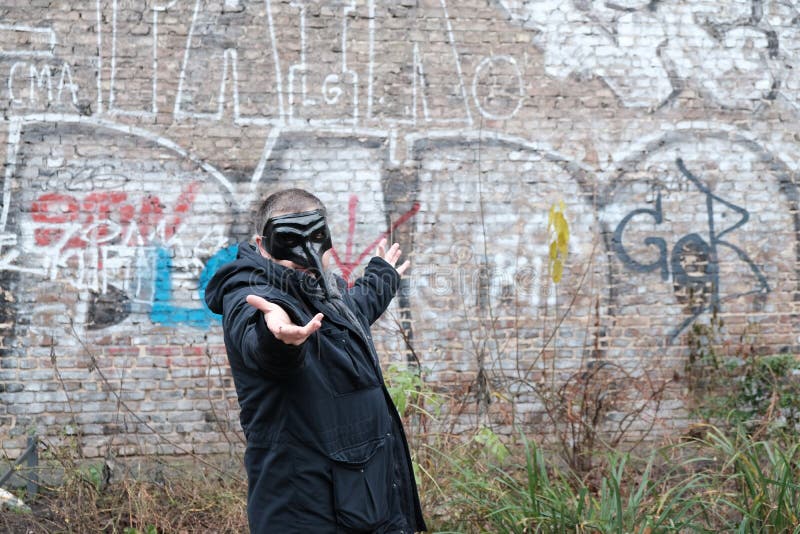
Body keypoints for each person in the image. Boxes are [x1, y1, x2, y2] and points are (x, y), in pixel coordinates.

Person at [204, 188, 426, 533]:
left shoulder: (323, 290)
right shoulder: (252, 294)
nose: (304, 255)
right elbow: (261, 343)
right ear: (262, 245)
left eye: (315, 240)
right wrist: (279, 337)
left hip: (364, 500)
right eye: (288, 243)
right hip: (306, 510)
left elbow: (348, 317)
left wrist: (382, 278)